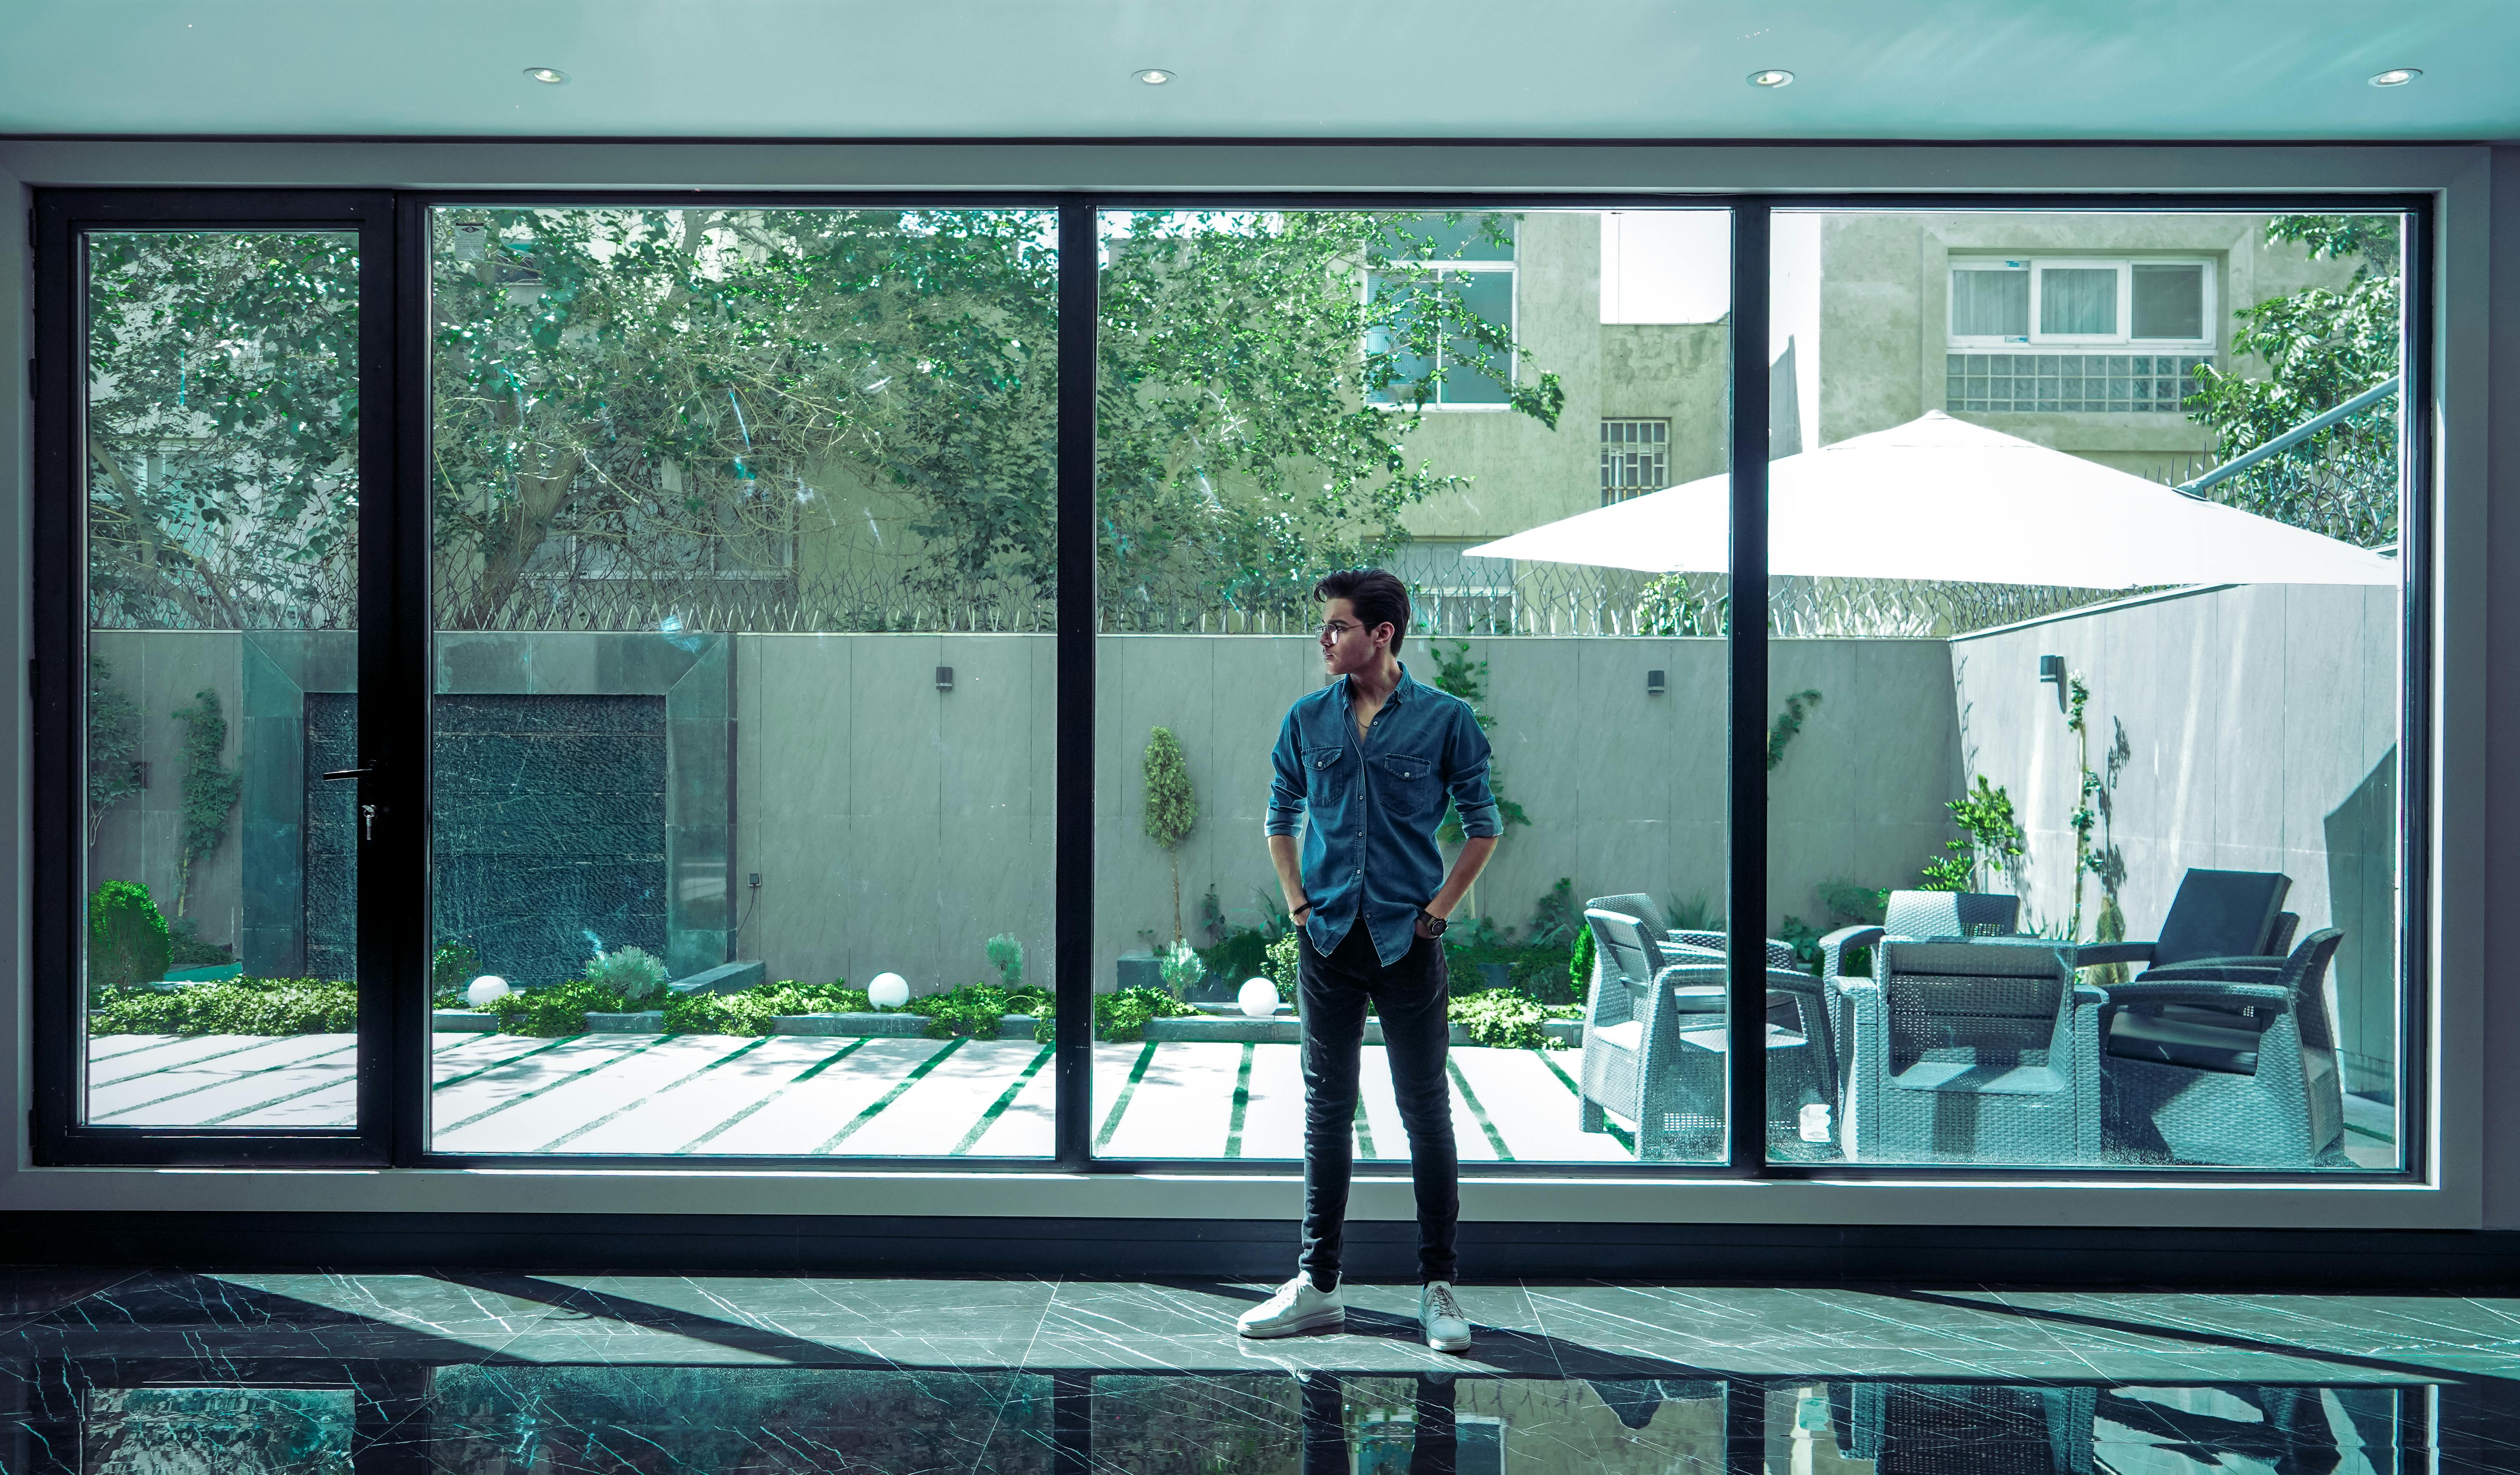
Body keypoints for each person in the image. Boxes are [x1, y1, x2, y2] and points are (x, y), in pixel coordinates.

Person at [1237, 568, 1500, 1353]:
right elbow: (1279, 814)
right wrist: (1296, 904)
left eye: (1338, 627)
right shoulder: (1307, 719)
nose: (1324, 639)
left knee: (1425, 1111)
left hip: (1407, 941)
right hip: (1326, 942)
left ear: (1380, 635)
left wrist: (1437, 913)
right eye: (1325, 627)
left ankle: (1439, 1287)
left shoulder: (1446, 720)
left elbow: (1483, 825)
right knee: (1327, 1112)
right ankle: (1318, 1287)